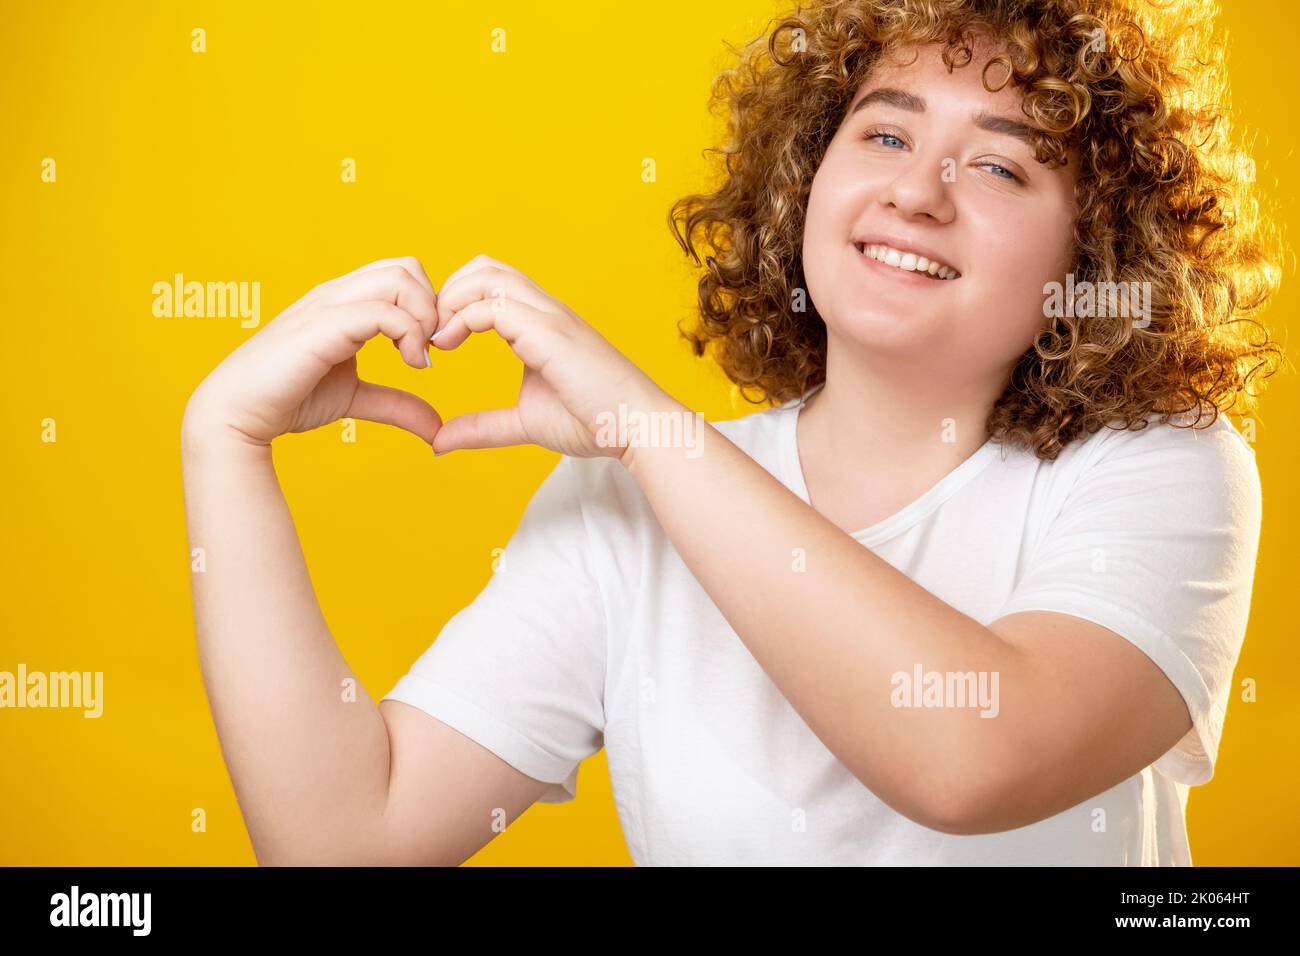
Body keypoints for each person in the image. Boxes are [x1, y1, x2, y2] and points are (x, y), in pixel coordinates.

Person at [181, 0, 1283, 866]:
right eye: (885, 130)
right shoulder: (623, 501)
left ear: (1088, 260)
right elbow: (344, 839)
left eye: (999, 163)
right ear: (804, 180)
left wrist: (644, 426)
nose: (917, 190)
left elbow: (970, 756)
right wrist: (222, 445)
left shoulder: (1161, 468)